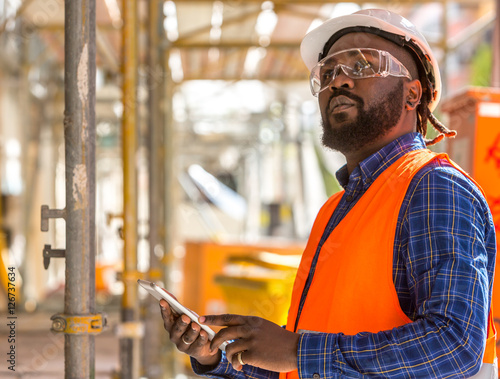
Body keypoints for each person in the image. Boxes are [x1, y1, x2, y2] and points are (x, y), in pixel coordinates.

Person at [159, 9, 497, 378]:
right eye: (329, 72)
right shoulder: (336, 209)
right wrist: (221, 356)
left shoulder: (434, 188)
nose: (339, 82)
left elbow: (455, 345)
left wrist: (297, 350)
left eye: (363, 66)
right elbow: (305, 366)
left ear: (412, 94)